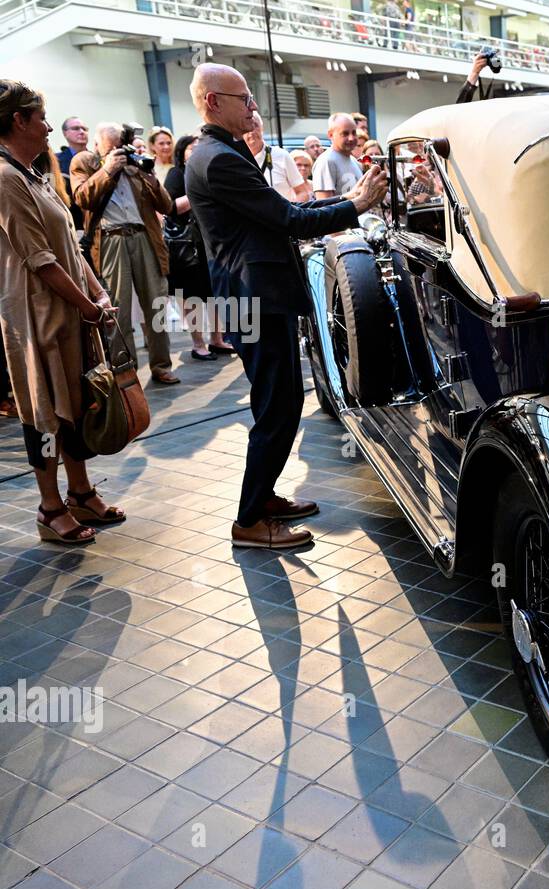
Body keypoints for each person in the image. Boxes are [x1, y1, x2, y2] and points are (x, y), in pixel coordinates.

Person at [185, 63, 388, 549]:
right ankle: (249, 519)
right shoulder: (218, 158)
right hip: (252, 299)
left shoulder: (221, 152)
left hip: (254, 297)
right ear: (213, 102)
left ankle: (265, 496)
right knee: (279, 408)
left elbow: (282, 214)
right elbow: (287, 218)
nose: (253, 107)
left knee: (276, 403)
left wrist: (348, 202)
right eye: (244, 98)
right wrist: (354, 206)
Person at [0, 80, 126, 545]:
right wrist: (87, 306)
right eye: (42, 118)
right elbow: (40, 260)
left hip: (68, 310)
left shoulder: (32, 173)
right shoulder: (5, 177)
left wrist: (98, 295)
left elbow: (70, 250)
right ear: (19, 121)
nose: (49, 127)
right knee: (45, 414)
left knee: (74, 404)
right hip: (36, 318)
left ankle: (80, 490)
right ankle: (50, 508)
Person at [71, 122, 179, 385]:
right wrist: (108, 169)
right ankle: (124, 368)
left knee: (156, 305)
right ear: (99, 147)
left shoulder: (134, 162)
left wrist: (149, 177)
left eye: (118, 148)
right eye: (110, 149)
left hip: (144, 238)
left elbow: (166, 205)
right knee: (117, 309)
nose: (116, 153)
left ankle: (162, 365)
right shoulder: (85, 162)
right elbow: (82, 198)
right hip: (110, 240)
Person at [164, 132, 233, 361]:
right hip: (188, 244)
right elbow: (170, 207)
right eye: (191, 147)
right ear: (181, 153)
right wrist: (199, 193)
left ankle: (217, 339)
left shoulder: (207, 170)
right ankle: (198, 343)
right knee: (191, 296)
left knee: (213, 293)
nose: (196, 150)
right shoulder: (176, 174)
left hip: (210, 240)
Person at [244, 111, 310, 202]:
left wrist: (288, 212)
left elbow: (302, 193)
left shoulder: (282, 156)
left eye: (255, 125)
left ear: (262, 128)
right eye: (247, 127)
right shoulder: (237, 160)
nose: (251, 131)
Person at [312, 112, 363, 200]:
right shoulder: (326, 162)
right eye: (345, 133)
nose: (351, 138)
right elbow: (324, 205)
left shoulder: (355, 162)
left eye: (354, 133)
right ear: (330, 135)